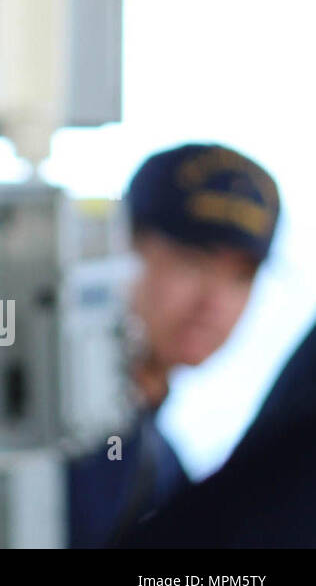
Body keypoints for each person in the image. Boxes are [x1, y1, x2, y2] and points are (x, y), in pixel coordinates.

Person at [67, 142, 280, 548]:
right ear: (123, 248)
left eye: (241, 277)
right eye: (192, 260)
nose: (213, 302)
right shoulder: (76, 439)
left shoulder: (161, 461)